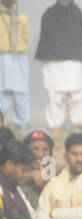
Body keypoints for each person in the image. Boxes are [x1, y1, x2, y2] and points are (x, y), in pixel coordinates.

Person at [34, 0, 82, 132]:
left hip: (74, 61)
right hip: (54, 61)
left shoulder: (77, 13)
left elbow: (81, 37)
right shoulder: (49, 14)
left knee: (78, 94)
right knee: (55, 95)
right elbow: (45, 38)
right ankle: (56, 126)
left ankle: (77, 125)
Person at [0, 0, 31, 128]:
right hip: (2, 56)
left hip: (18, 56)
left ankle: (22, 123)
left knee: (21, 91)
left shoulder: (22, 15)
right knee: (2, 91)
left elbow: (25, 36)